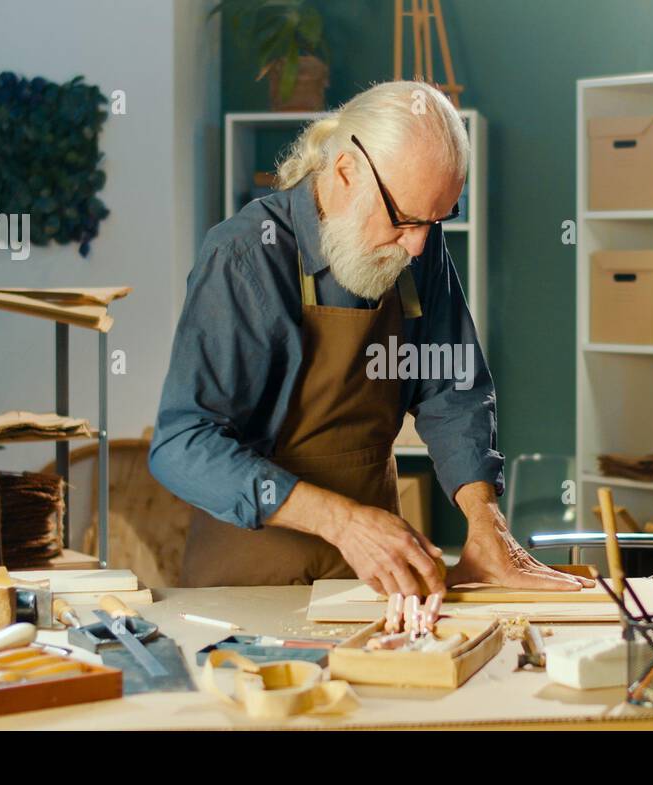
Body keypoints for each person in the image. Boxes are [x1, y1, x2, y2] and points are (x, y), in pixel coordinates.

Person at [150, 81, 593, 597]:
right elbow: (182, 444)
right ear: (344, 173)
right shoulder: (245, 256)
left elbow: (452, 389)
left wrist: (484, 519)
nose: (420, 244)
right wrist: (344, 523)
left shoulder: (417, 238)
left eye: (437, 220)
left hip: (377, 572)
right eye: (405, 220)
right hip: (250, 574)